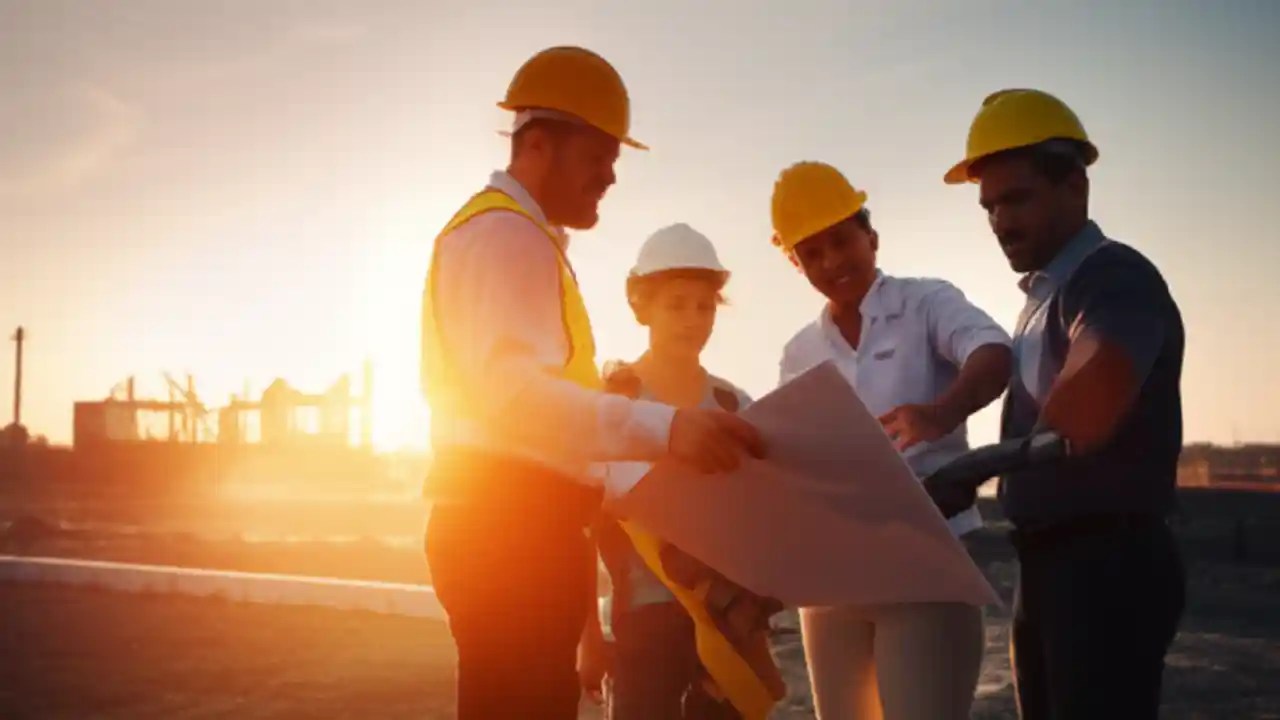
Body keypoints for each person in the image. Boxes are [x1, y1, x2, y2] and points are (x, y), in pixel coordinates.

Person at [419, 46, 765, 720]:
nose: (610, 175)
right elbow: (517, 400)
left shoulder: (515, 236)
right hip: (509, 525)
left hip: (508, 521)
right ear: (539, 145)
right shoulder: (505, 236)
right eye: (599, 155)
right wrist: (667, 430)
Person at [943, 88, 1187, 719]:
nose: (999, 220)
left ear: (1075, 186)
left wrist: (974, 467)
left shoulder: (1114, 278)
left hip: (1107, 570)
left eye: (1016, 197)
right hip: (1049, 566)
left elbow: (1087, 407)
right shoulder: (1045, 299)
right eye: (989, 206)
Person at [771, 161, 1013, 720]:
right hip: (833, 578)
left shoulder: (927, 303)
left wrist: (940, 412)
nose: (831, 261)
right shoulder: (800, 353)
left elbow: (993, 353)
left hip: (926, 561)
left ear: (871, 237)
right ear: (794, 262)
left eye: (841, 240)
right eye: (812, 252)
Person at [578, 223, 785, 720]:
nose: (693, 319)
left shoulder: (736, 407)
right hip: (643, 630)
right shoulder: (613, 405)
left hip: (731, 627)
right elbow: (581, 530)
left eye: (705, 305)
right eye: (676, 304)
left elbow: (771, 517)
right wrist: (587, 637)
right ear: (641, 306)